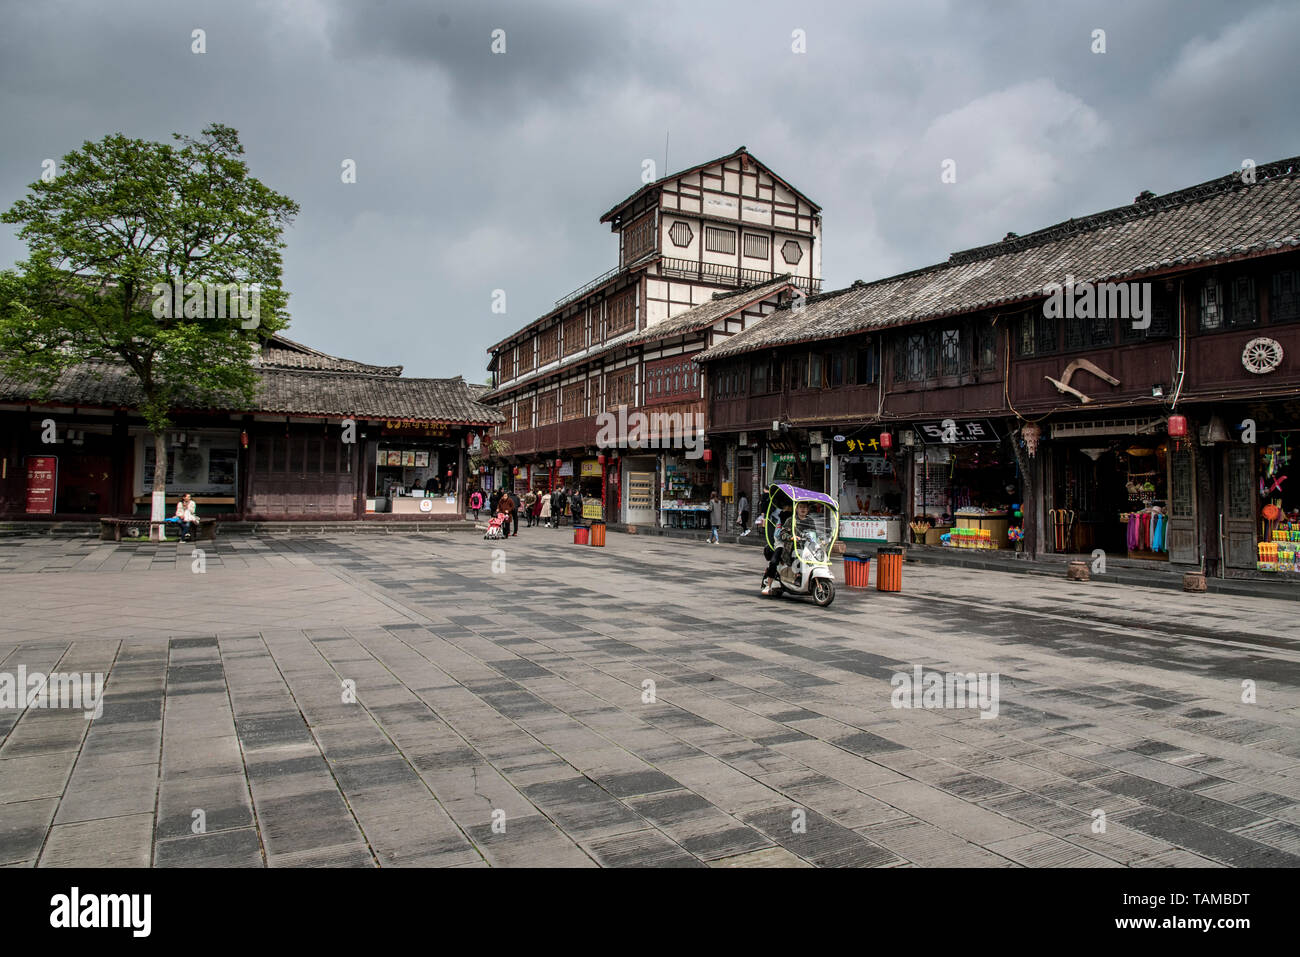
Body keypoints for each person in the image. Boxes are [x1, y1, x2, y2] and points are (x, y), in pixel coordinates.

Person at [762, 500, 806, 595]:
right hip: (782, 544)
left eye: (805, 507)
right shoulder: (784, 518)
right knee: (774, 561)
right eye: (787, 506)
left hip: (800, 544)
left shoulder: (806, 520)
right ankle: (768, 585)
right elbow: (778, 534)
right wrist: (790, 537)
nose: (788, 508)